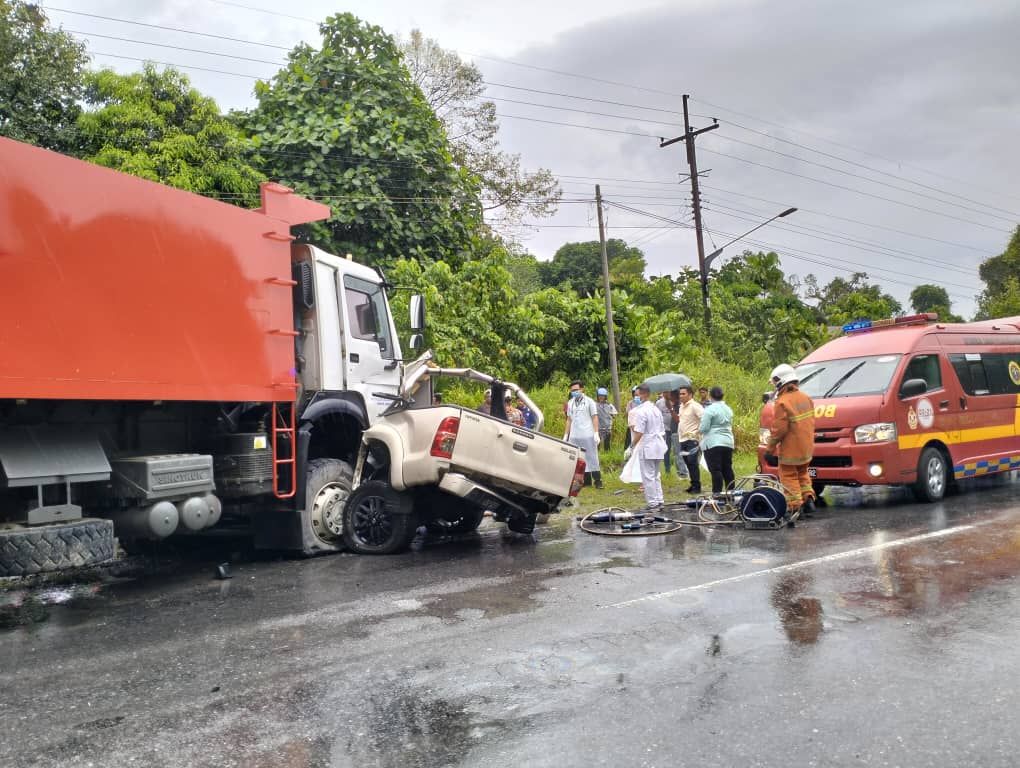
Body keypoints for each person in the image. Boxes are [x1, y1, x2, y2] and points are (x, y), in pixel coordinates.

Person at [766, 363, 817, 519]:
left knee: (788, 476)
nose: (774, 385)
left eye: (775, 382)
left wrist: (769, 449)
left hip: (791, 449)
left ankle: (795, 507)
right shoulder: (806, 397)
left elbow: (778, 430)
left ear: (781, 381)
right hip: (806, 448)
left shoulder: (782, 402)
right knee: (803, 474)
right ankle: (808, 499)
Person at [625, 383, 668, 508]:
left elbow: (639, 433)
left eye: (638, 395)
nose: (636, 397)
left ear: (644, 394)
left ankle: (653, 503)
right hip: (658, 444)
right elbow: (662, 429)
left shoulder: (641, 411)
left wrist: (631, 446)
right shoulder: (656, 409)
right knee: (656, 474)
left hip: (648, 444)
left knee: (648, 476)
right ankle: (660, 500)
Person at [564, 380, 602, 488]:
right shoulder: (570, 402)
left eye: (576, 390)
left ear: (582, 389)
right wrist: (566, 435)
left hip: (588, 434)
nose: (574, 392)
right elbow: (569, 420)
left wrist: (596, 433)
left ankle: (598, 481)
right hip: (575, 436)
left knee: (592, 457)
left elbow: (594, 417)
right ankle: (586, 481)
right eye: (572, 391)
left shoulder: (589, 401)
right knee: (579, 458)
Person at [699, 386, 735, 494]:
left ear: (710, 396)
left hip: (713, 442)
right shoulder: (728, 409)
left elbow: (704, 428)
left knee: (716, 470)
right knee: (727, 468)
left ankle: (717, 494)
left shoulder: (709, 410)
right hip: (727, 441)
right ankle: (731, 493)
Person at [676, 385, 705, 494]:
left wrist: (698, 432)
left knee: (692, 462)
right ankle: (693, 484)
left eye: (683, 393)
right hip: (682, 439)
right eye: (680, 394)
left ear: (690, 394)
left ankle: (697, 487)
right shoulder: (681, 406)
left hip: (692, 439)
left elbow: (704, 418)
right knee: (687, 462)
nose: (681, 396)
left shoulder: (695, 406)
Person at [655, 391, 674, 475]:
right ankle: (667, 469)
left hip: (675, 429)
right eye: (665, 392)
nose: (667, 394)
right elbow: (657, 417)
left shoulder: (675, 400)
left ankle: (682, 470)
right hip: (665, 430)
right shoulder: (659, 403)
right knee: (666, 450)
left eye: (668, 392)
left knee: (678, 450)